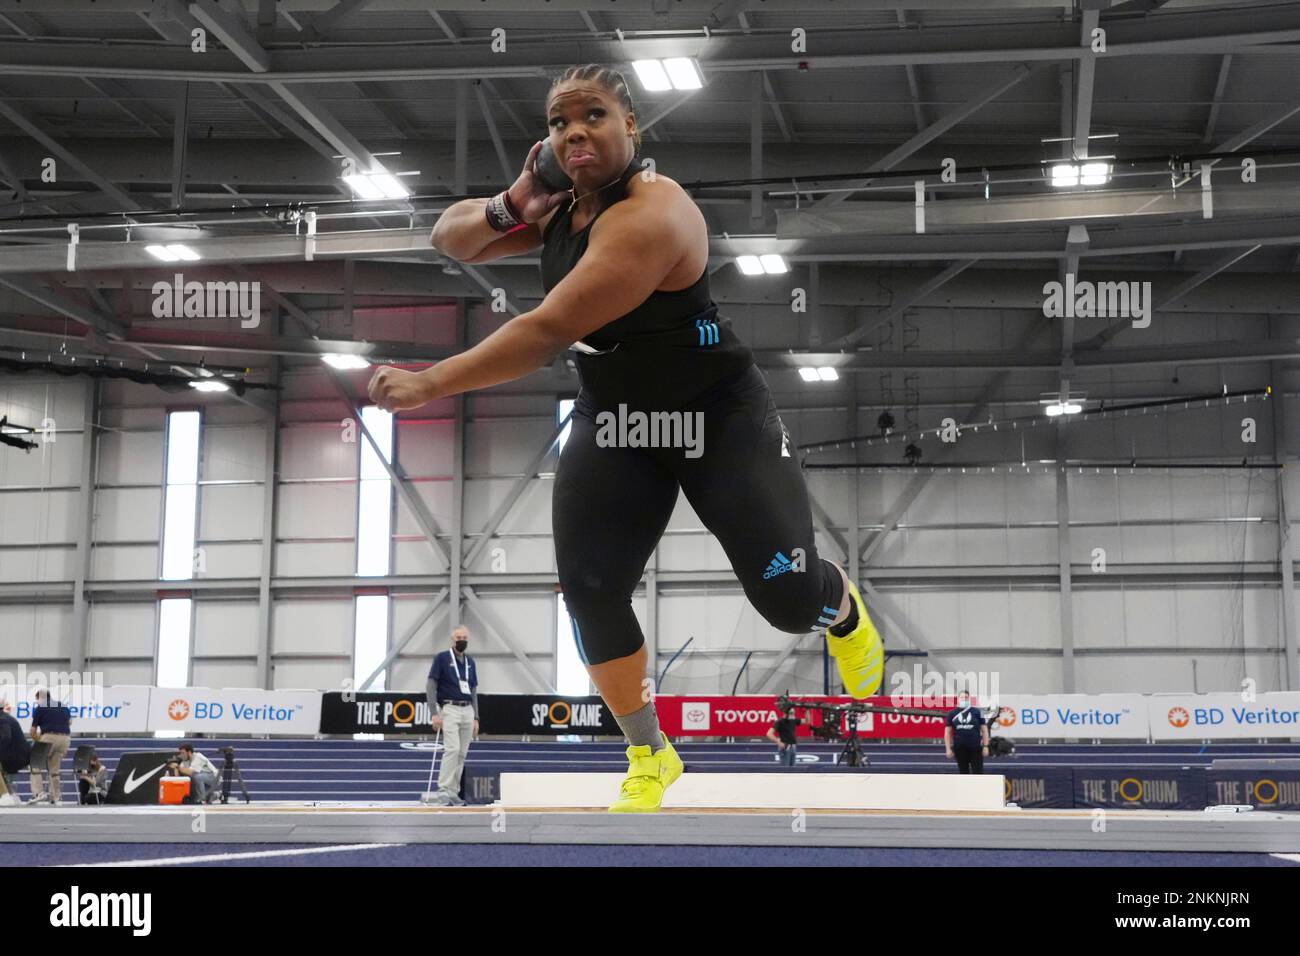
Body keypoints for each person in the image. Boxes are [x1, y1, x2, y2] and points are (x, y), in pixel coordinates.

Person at [369, 63, 885, 813]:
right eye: (558, 122)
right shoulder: (553, 210)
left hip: (715, 417)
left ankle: (839, 605)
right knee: (589, 591)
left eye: (594, 116)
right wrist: (514, 200)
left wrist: (430, 381)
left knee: (785, 599)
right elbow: (452, 239)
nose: (574, 131)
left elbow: (547, 329)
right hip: (618, 423)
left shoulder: (654, 214)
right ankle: (650, 753)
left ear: (632, 127)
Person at [425, 625, 479, 806]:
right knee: (452, 749)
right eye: (458, 637)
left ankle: (454, 791)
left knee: (462, 753)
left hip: (467, 709)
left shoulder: (470, 662)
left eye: (464, 637)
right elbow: (431, 685)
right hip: (450, 708)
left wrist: (476, 717)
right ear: (453, 639)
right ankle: (443, 790)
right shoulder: (442, 658)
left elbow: (473, 691)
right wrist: (434, 713)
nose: (461, 640)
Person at [28, 689, 72, 806]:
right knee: (54, 769)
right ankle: (56, 797)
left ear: (40, 697)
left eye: (37, 699)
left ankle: (38, 793)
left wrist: (39, 743)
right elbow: (70, 722)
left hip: (49, 737)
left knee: (35, 763)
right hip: (65, 739)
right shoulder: (63, 705)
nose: (37, 702)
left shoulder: (40, 707)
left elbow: (32, 732)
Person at [944, 690, 989, 774]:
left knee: (978, 772)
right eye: (962, 697)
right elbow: (947, 733)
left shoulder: (977, 712)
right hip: (960, 748)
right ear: (958, 699)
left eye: (966, 697)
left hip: (975, 747)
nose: (964, 699)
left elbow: (985, 731)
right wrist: (948, 748)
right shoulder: (952, 713)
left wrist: (986, 746)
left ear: (969, 699)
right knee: (963, 772)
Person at [0, 698, 31, 806]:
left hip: (15, 757)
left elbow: (6, 738)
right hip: (20, 756)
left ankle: (4, 795)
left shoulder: (2, 720)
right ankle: (11, 795)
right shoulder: (7, 717)